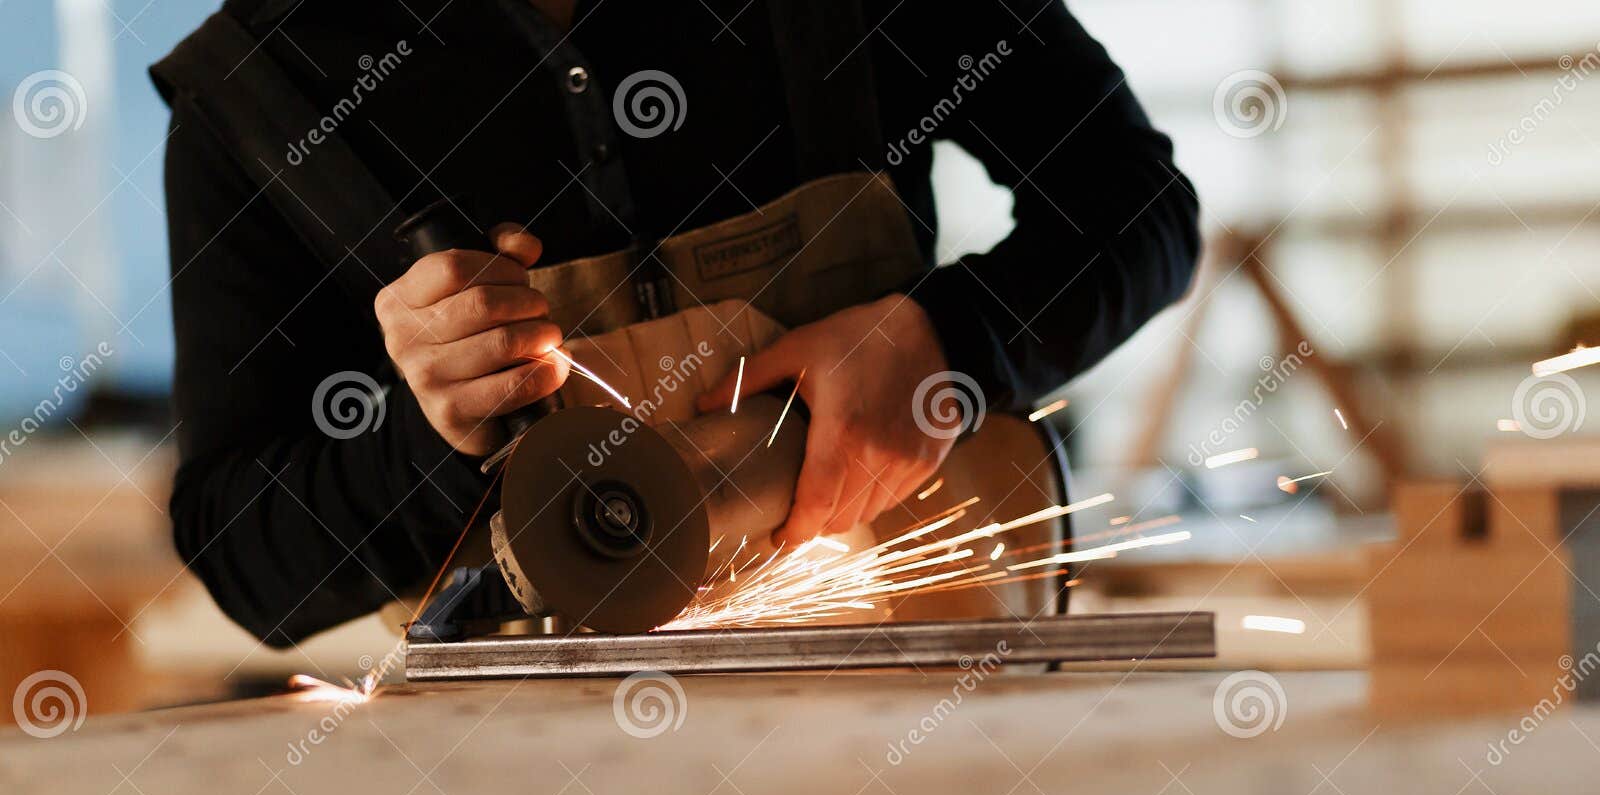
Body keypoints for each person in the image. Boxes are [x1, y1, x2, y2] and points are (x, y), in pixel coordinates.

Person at [154, 0, 1199, 647]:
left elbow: (1137, 210)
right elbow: (249, 560)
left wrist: (948, 345)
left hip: (919, 728)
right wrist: (431, 438)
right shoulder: (264, 95)